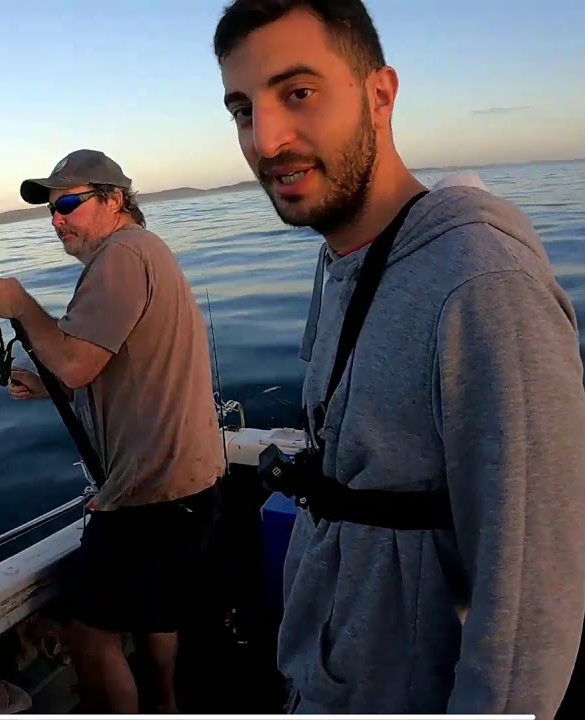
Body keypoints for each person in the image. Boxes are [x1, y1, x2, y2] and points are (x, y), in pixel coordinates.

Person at [212, 0, 585, 716]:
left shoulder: (482, 285)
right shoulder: (341, 258)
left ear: (379, 94)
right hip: (325, 675)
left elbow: (528, 619)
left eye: (298, 93)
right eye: (241, 110)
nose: (266, 140)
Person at [0, 148, 227, 713]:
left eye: (68, 202)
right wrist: (45, 384)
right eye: (51, 208)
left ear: (114, 200)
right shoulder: (145, 253)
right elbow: (101, 366)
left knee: (91, 637)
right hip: (189, 485)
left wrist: (21, 305)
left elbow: (72, 362)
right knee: (159, 616)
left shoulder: (120, 257)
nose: (56, 218)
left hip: (152, 495)